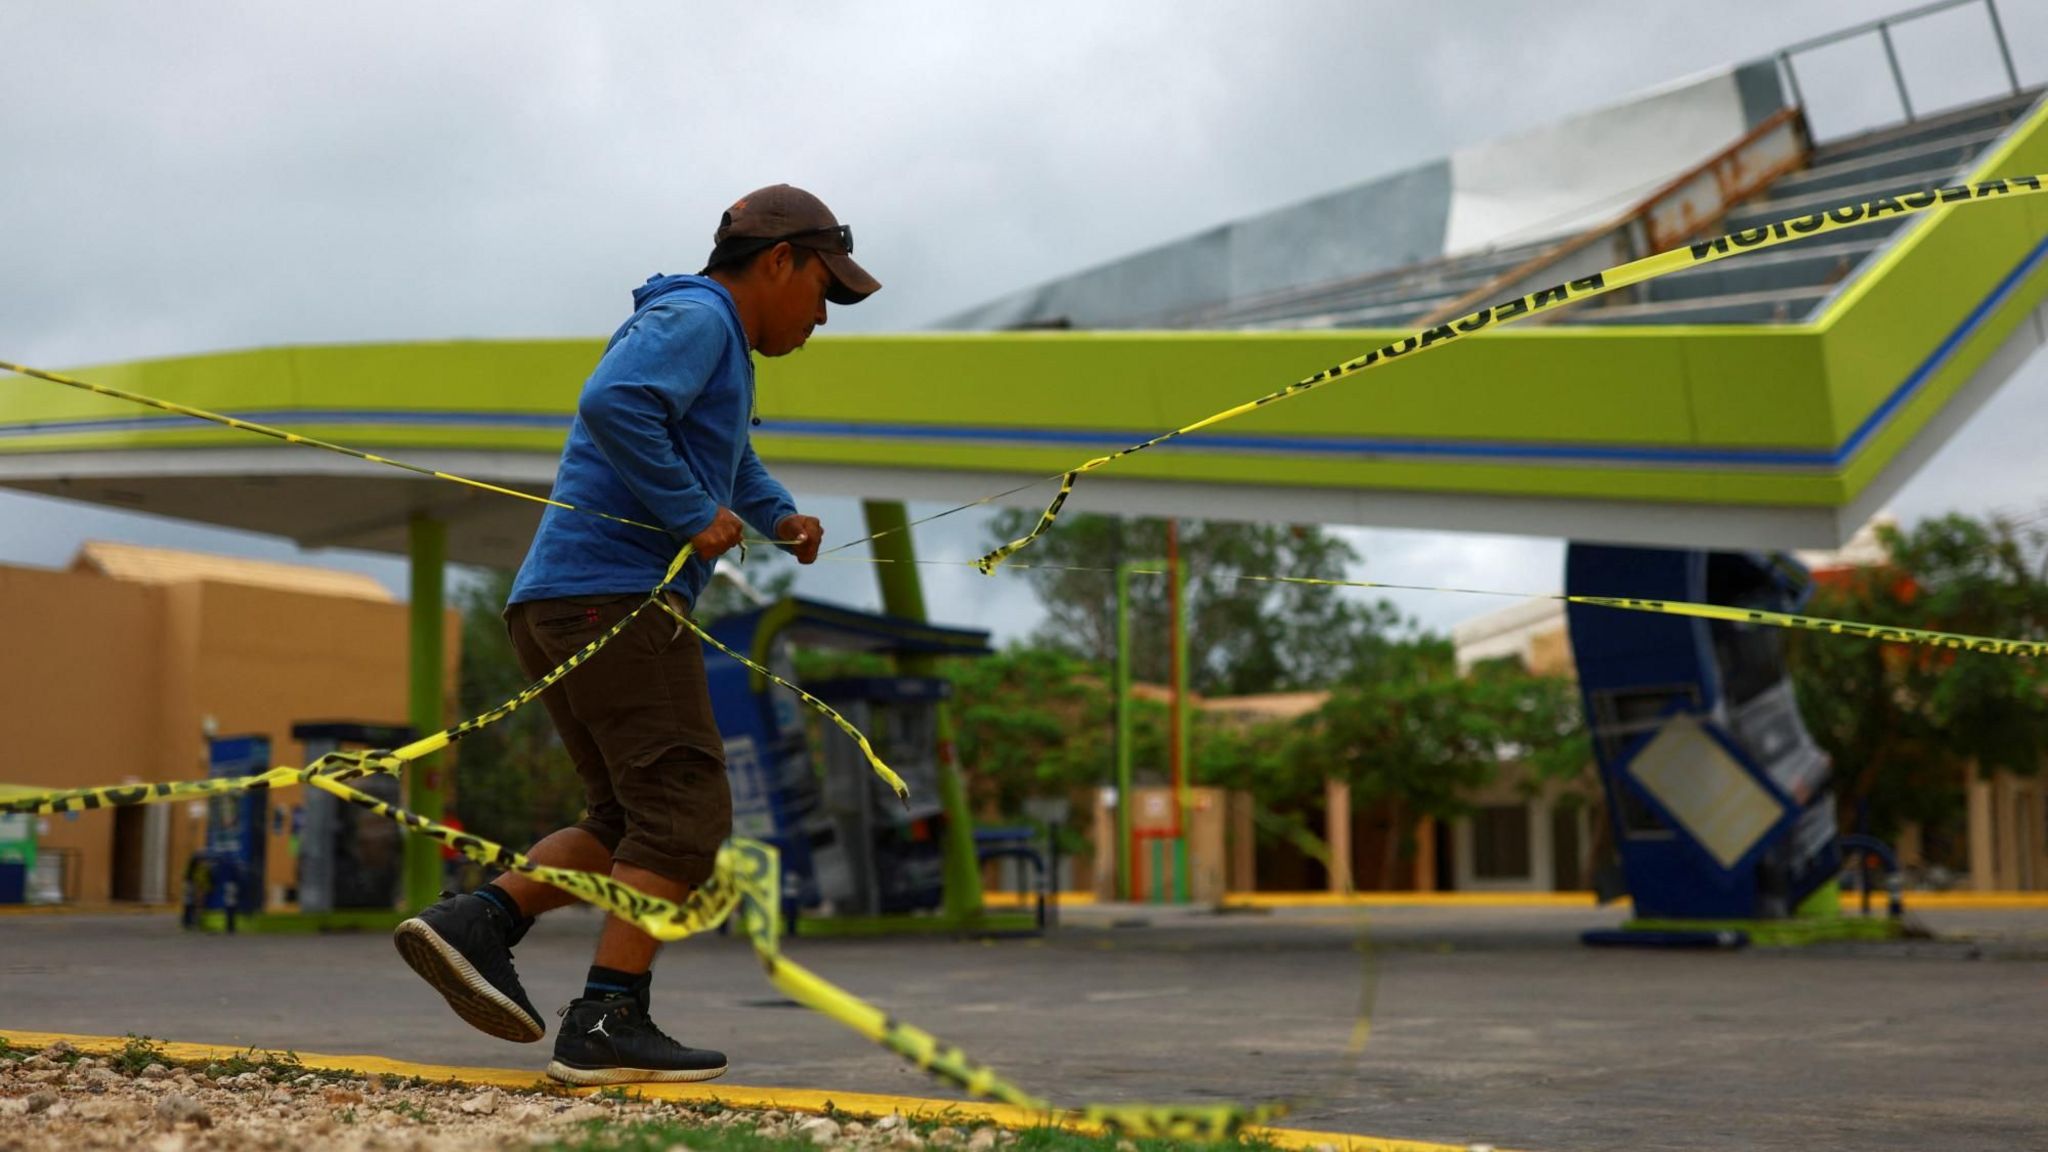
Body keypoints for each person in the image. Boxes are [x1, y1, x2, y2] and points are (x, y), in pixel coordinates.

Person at [394, 185, 879, 1085]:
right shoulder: (699, 317)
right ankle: (608, 1017)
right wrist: (695, 514)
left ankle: (481, 921)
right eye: (823, 292)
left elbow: (727, 460)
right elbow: (614, 403)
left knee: (624, 820)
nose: (822, 317)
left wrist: (776, 518)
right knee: (686, 813)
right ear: (779, 262)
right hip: (611, 600)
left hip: (560, 602)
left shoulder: (711, 340)